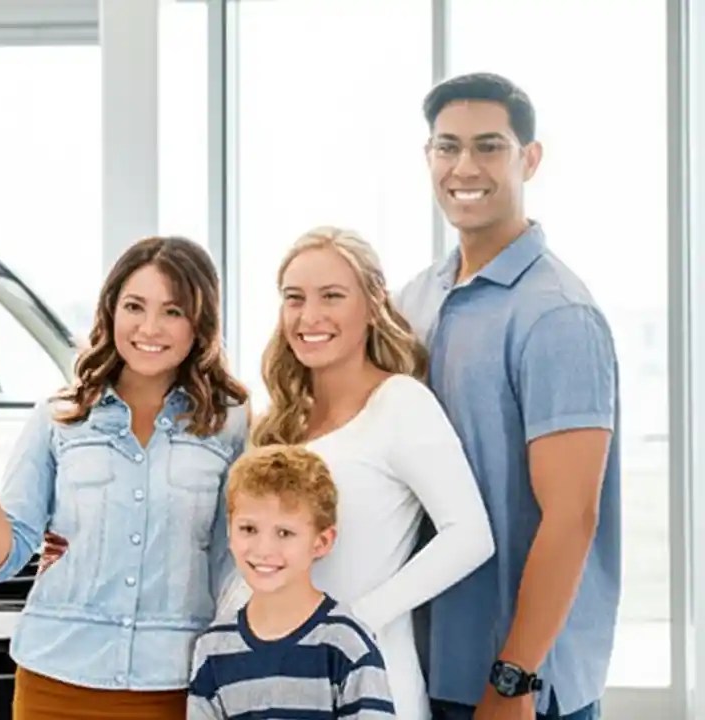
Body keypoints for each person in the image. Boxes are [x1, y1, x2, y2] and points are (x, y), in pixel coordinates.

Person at [396, 72, 620, 720]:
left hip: (520, 684)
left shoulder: (556, 314)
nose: (465, 166)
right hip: (432, 666)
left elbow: (572, 516)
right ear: (429, 157)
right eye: (448, 147)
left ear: (530, 157)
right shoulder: (418, 298)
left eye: (489, 146)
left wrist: (514, 676)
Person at [0, 236, 251, 718]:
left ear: (200, 323)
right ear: (111, 310)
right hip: (56, 679)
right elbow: (1, 560)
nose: (149, 327)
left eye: (173, 311)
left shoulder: (230, 422)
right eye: (135, 306)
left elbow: (232, 562)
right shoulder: (60, 416)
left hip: (176, 682)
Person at [212, 226, 494, 720]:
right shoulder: (280, 421)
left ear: (372, 303)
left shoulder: (401, 404)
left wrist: (353, 623)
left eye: (332, 297)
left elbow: (470, 536)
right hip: (264, 683)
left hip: (366, 682)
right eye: (294, 298)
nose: (310, 316)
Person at [187, 443, 395, 719]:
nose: (263, 549)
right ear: (230, 531)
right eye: (248, 529)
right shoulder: (213, 648)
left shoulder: (346, 643)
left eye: (284, 533)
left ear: (321, 542)